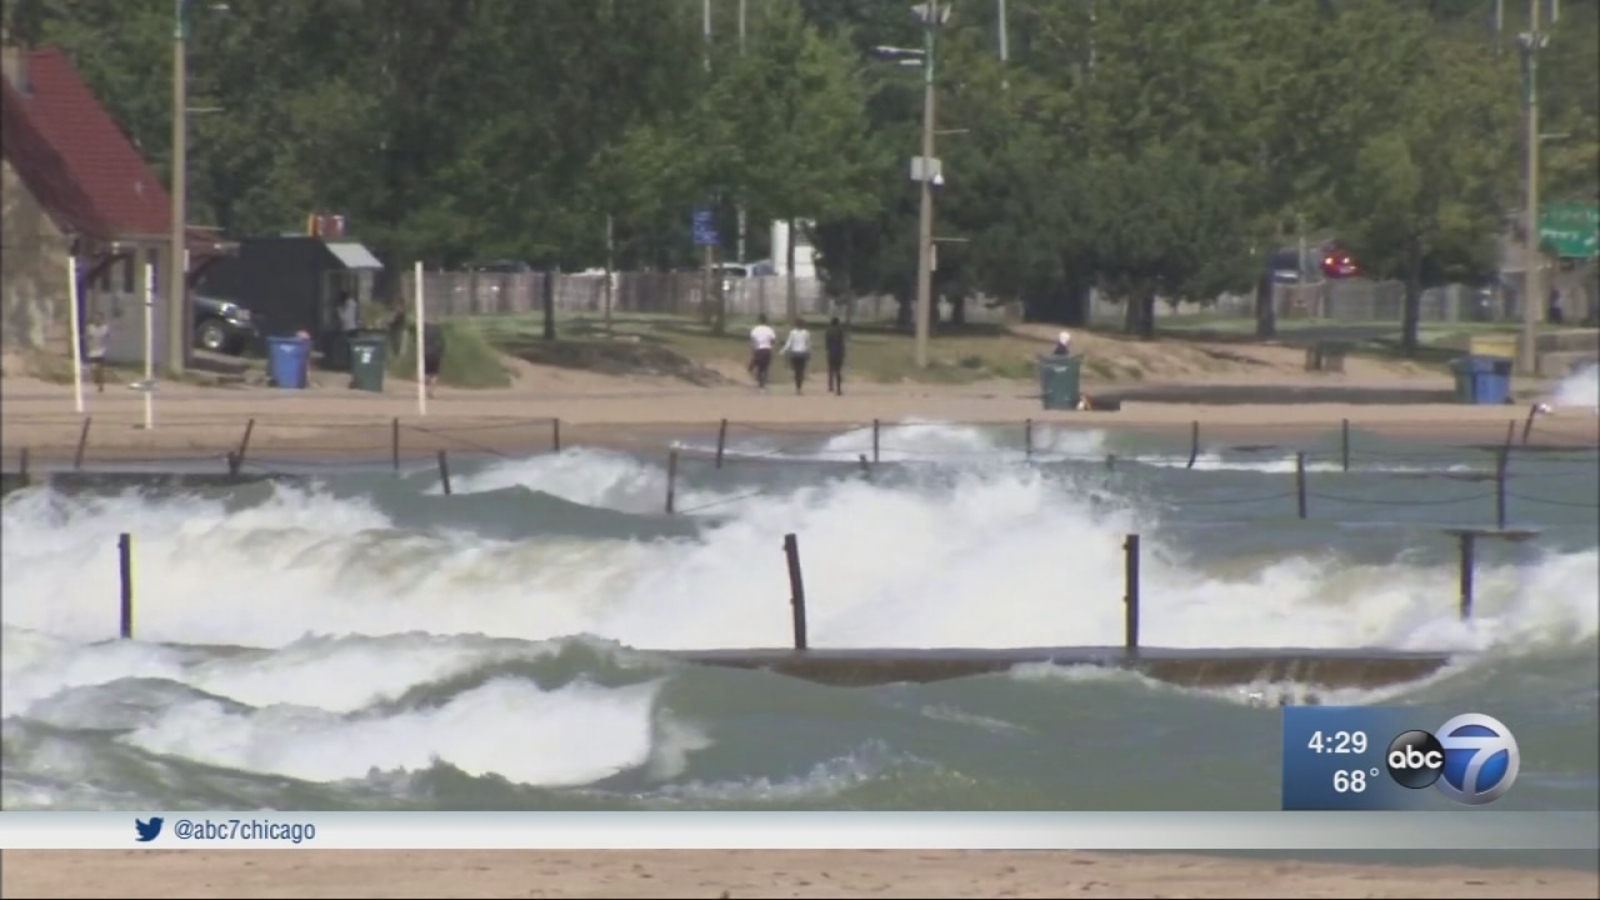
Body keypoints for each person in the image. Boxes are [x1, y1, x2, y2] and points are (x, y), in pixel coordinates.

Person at [781, 317, 812, 394]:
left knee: (796, 371)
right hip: (802, 353)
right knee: (801, 371)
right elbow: (808, 344)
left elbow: (789, 343)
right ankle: (799, 387)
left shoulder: (792, 332)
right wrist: (809, 352)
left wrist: (783, 350)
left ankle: (797, 387)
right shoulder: (806, 333)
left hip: (794, 353)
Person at [748, 314, 777, 391]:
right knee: (765, 367)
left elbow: (752, 341)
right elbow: (773, 340)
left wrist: (752, 350)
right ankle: (763, 383)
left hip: (758, 349)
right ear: (766, 321)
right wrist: (772, 348)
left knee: (759, 367)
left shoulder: (755, 329)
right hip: (767, 349)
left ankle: (760, 383)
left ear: (759, 320)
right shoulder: (769, 329)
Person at [85, 312, 110, 393]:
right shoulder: (90, 328)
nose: (97, 320)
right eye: (96, 318)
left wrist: (105, 346)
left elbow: (107, 338)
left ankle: (101, 385)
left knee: (100, 369)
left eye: (99, 319)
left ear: (102, 320)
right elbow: (87, 337)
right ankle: (96, 380)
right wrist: (88, 342)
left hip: (101, 351)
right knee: (93, 368)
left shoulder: (105, 328)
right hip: (92, 351)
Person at [421, 321, 445, 399]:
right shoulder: (438, 334)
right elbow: (442, 344)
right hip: (435, 355)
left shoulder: (424, 334)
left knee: (427, 373)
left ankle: (426, 389)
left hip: (425, 354)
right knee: (434, 374)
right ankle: (431, 391)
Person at [824, 316, 846, 396]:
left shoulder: (828, 331)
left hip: (831, 352)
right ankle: (839, 389)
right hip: (839, 352)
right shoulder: (840, 331)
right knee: (838, 371)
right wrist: (843, 353)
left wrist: (827, 349)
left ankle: (830, 386)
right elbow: (842, 342)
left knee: (830, 370)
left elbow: (826, 342)